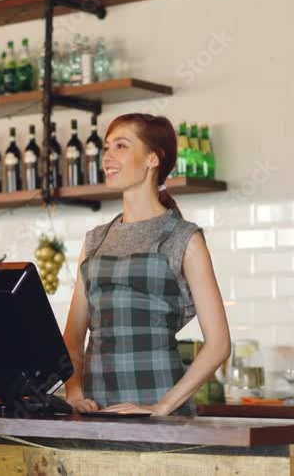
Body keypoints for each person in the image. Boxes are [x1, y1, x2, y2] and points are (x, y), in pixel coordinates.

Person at [63, 113, 231, 416]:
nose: (108, 157)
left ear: (153, 158)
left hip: (158, 411)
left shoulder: (184, 238)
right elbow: (73, 338)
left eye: (121, 146)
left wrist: (160, 407)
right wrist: (74, 393)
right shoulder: (94, 241)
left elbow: (218, 344)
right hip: (95, 410)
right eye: (106, 147)